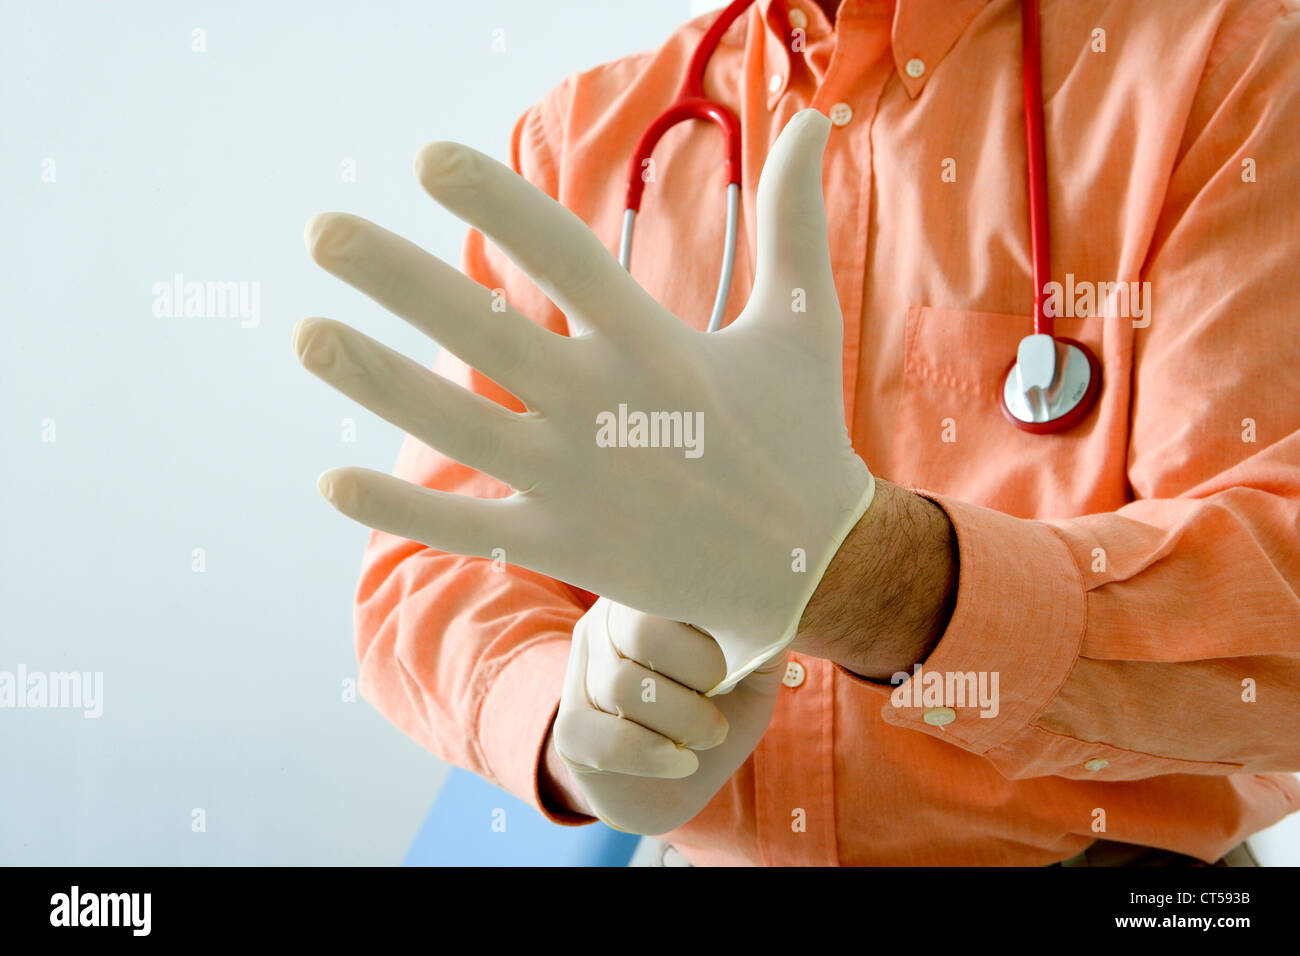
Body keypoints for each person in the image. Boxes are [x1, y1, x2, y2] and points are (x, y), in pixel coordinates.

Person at [303, 0, 1300, 865]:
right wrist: (571, 720)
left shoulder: (1231, 71)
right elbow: (437, 568)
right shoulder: (585, 140)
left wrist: (875, 578)